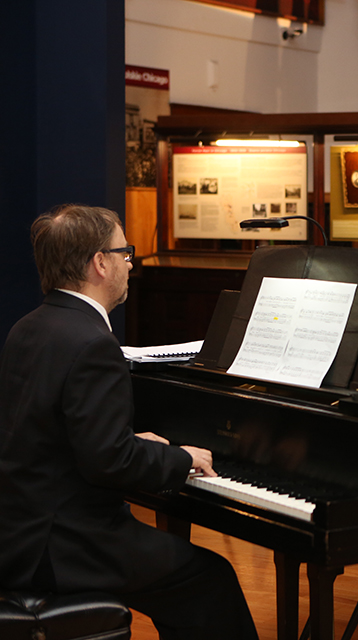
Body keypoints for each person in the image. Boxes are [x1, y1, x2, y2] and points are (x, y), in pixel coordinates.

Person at [0, 204, 259, 639]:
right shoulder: (93, 344)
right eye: (125, 252)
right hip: (67, 542)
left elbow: (45, 431)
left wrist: (130, 440)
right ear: (100, 263)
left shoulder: (29, 327)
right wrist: (178, 458)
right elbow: (109, 463)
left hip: (22, 529)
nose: (130, 262)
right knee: (209, 580)